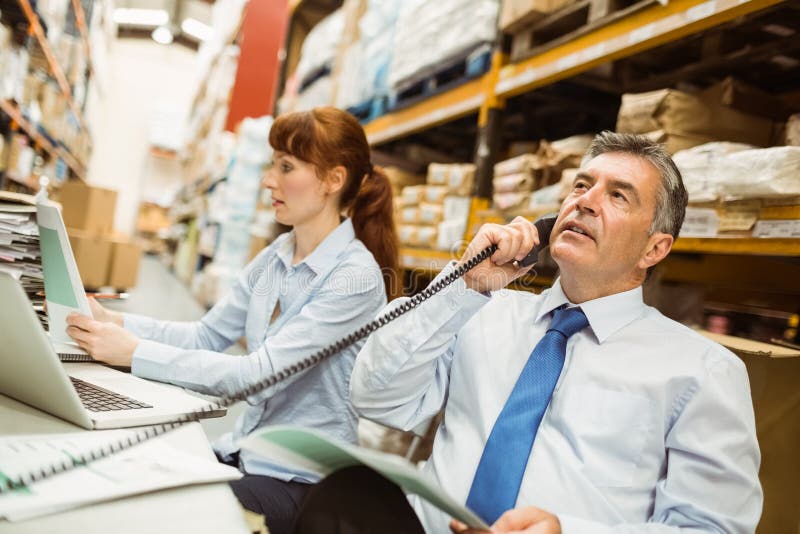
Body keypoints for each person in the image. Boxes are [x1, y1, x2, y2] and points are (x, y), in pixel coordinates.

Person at [300, 131, 761, 533]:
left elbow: (710, 527)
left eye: (618, 196)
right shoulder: (482, 312)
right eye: (581, 185)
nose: (585, 201)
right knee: (335, 497)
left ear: (654, 249)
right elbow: (376, 397)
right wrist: (463, 284)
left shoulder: (702, 371)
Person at [65, 107, 399, 534]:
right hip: (244, 452)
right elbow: (207, 334)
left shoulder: (355, 277)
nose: (268, 180)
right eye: (271, 165)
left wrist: (134, 354)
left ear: (334, 180)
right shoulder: (277, 256)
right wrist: (116, 322)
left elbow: (257, 377)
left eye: (286, 167)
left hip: (300, 482)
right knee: (127, 479)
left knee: (166, 517)